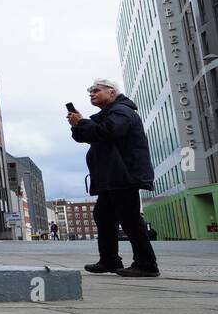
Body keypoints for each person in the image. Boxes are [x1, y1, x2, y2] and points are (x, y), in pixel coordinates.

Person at [68, 79, 158, 278]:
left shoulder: (122, 112)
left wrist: (82, 123)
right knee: (104, 215)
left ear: (112, 92)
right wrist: (78, 124)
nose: (92, 94)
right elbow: (87, 136)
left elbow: (107, 131)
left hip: (123, 175)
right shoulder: (108, 114)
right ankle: (109, 260)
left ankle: (146, 264)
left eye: (96, 90)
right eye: (90, 91)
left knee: (130, 219)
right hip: (113, 176)